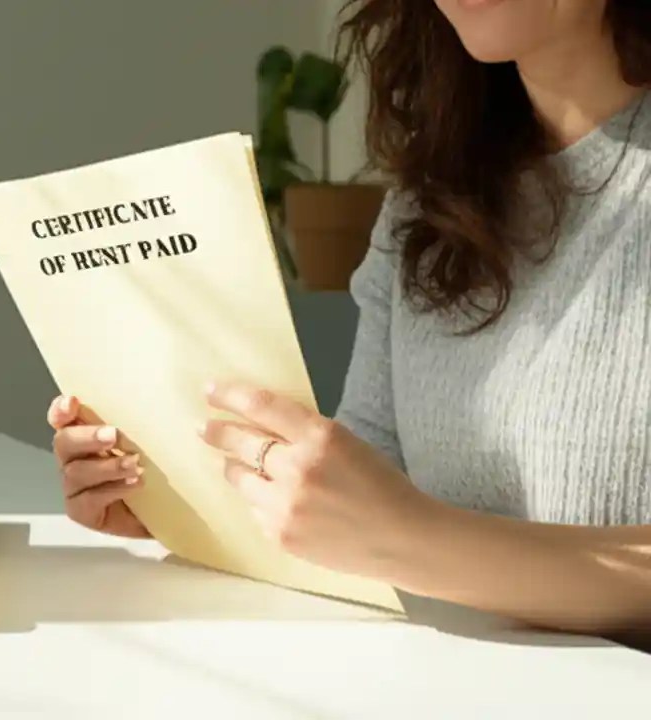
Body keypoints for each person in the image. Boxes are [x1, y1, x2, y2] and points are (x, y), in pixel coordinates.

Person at [48, 0, 651, 643]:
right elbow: (365, 507)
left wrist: (414, 541)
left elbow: (395, 536)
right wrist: (195, 505)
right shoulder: (425, 210)